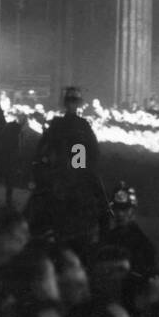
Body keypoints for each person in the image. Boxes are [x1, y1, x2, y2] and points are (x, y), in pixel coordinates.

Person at [28, 86, 109, 253]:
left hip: (67, 173)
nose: (72, 105)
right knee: (102, 203)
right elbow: (93, 152)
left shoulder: (60, 124)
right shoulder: (80, 125)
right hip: (71, 173)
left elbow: (43, 148)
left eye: (73, 101)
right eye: (71, 101)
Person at [107, 184, 157, 279]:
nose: (120, 213)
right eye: (116, 208)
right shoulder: (107, 238)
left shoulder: (144, 245)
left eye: (125, 208)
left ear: (133, 210)